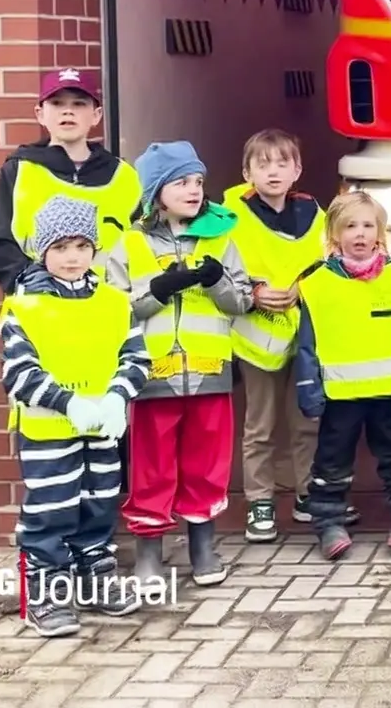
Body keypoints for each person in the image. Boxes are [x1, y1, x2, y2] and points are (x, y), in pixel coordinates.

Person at [0, 195, 151, 637]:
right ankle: (42, 592)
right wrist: (72, 404)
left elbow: (136, 358)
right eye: (61, 247)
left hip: (102, 429)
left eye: (82, 246)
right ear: (43, 250)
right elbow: (20, 373)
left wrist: (116, 398)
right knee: (51, 510)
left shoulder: (113, 302)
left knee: (99, 504)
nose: (72, 257)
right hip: (49, 431)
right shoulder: (23, 306)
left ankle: (95, 576)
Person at [104, 140, 252, 588]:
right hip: (151, 378)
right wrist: (159, 291)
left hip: (210, 375)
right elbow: (114, 311)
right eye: (181, 182)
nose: (194, 189)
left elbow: (241, 301)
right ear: (155, 192)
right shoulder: (128, 244)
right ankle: (149, 551)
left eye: (199, 181)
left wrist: (217, 281)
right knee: (153, 467)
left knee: (206, 465)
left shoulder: (221, 238)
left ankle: (203, 546)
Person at [292, 191, 391, 559]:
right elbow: (307, 344)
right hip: (338, 398)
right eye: (350, 226)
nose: (359, 233)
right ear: (334, 235)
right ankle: (328, 524)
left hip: (388, 395)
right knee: (331, 460)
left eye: (368, 225)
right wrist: (308, 389)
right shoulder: (316, 285)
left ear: (380, 233)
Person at [222, 128, 346, 544]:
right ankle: (260, 501)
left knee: (307, 419)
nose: (272, 171)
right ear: (247, 171)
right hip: (257, 339)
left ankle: (307, 493)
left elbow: (327, 260)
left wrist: (303, 288)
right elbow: (221, 266)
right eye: (262, 164)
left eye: (282, 163)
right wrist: (254, 292)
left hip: (304, 335)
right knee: (260, 425)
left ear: (297, 170)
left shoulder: (315, 214)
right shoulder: (230, 216)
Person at [0, 67, 140, 294]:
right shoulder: (19, 170)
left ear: (97, 115)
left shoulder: (124, 176)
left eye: (79, 104)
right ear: (40, 114)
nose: (68, 112)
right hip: (39, 306)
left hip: (109, 307)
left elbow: (141, 243)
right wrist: (28, 282)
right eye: (57, 103)